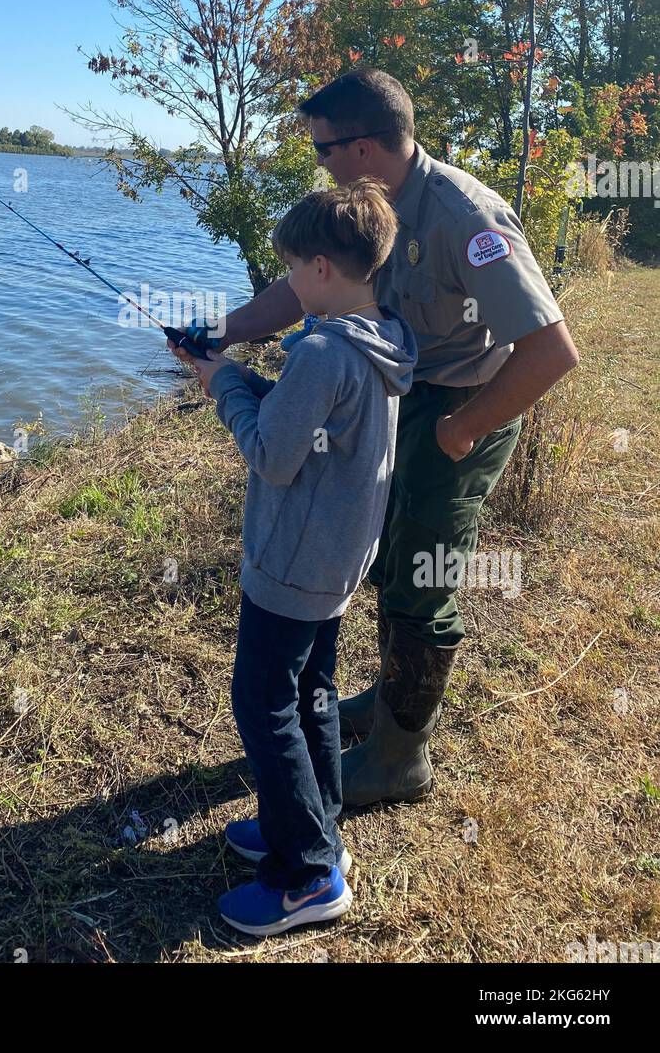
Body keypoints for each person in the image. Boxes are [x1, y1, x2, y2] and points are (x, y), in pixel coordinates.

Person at [199, 68, 579, 808]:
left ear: (364, 147)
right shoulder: (364, 209)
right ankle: (383, 705)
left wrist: (459, 431)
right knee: (382, 560)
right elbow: (300, 287)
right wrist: (219, 332)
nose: (319, 164)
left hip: (462, 407)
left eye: (323, 151)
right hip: (401, 402)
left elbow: (550, 351)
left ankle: (402, 758)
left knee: (423, 579)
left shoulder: (465, 218)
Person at [174, 180, 417, 937]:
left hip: (291, 563)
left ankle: (306, 874)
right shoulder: (382, 337)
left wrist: (220, 385)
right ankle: (312, 823)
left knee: (264, 704)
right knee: (311, 690)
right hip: (336, 558)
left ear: (318, 268)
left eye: (287, 272)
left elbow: (272, 455)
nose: (284, 286)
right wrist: (247, 379)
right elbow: (314, 423)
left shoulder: (318, 349)